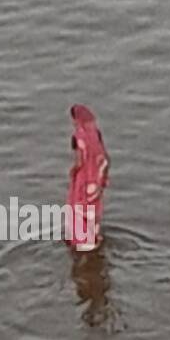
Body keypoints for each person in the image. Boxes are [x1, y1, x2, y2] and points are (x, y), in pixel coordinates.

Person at [66, 104, 109, 251]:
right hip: (95, 177)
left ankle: (82, 238)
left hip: (84, 178)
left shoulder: (78, 136)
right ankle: (95, 235)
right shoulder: (96, 133)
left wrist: (73, 172)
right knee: (93, 205)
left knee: (79, 205)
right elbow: (104, 156)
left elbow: (79, 161)